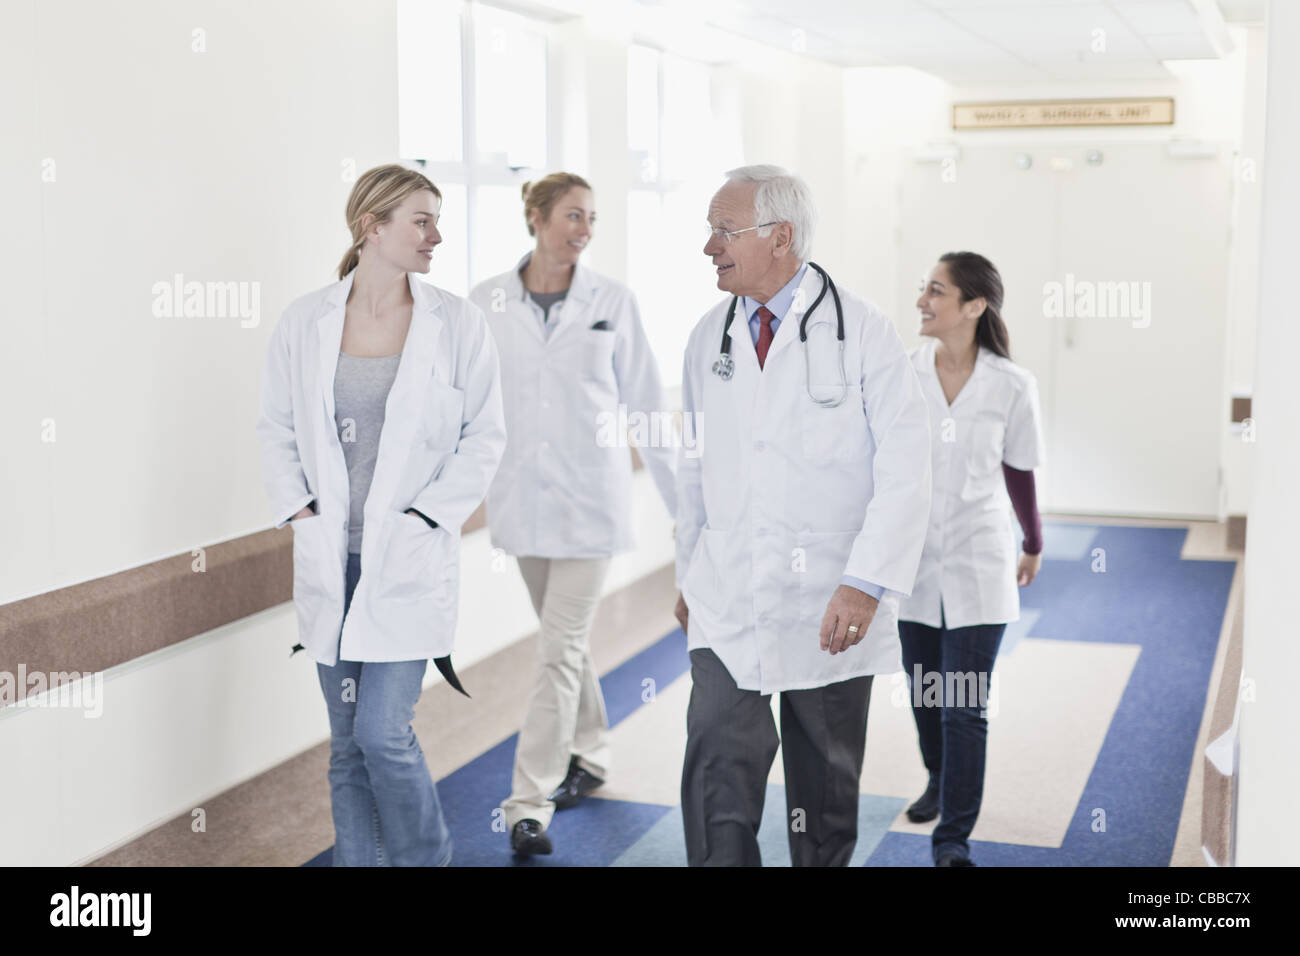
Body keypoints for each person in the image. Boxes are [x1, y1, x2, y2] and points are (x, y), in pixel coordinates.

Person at [675, 165, 932, 866]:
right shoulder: (709, 337)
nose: (709, 247)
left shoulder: (866, 333)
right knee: (716, 768)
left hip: (830, 594)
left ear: (780, 236)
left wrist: (867, 581)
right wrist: (687, 571)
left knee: (823, 788)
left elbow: (907, 469)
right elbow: (693, 467)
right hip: (726, 594)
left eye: (723, 231)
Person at [255, 163, 506, 866]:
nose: (437, 235)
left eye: (436, 219)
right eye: (421, 220)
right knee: (345, 744)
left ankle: (426, 860)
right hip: (334, 557)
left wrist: (427, 518)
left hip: (406, 557)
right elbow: (274, 427)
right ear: (373, 227)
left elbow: (485, 436)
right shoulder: (306, 321)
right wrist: (301, 512)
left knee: (382, 734)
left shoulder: (456, 323)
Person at [468, 173, 677, 858]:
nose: (583, 229)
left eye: (591, 217)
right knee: (568, 645)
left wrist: (685, 512)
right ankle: (591, 752)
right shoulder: (488, 302)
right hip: (523, 504)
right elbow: (467, 403)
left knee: (556, 652)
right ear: (534, 217)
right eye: (570, 215)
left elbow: (646, 402)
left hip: (591, 504)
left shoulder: (612, 301)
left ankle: (527, 804)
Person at [898, 251, 1045, 867]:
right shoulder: (903, 373)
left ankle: (952, 837)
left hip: (980, 560)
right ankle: (939, 778)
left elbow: (1020, 470)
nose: (921, 301)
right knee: (925, 693)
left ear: (974, 306)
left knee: (963, 704)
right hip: (912, 562)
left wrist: (1033, 540)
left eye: (936, 291)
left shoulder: (1012, 385)